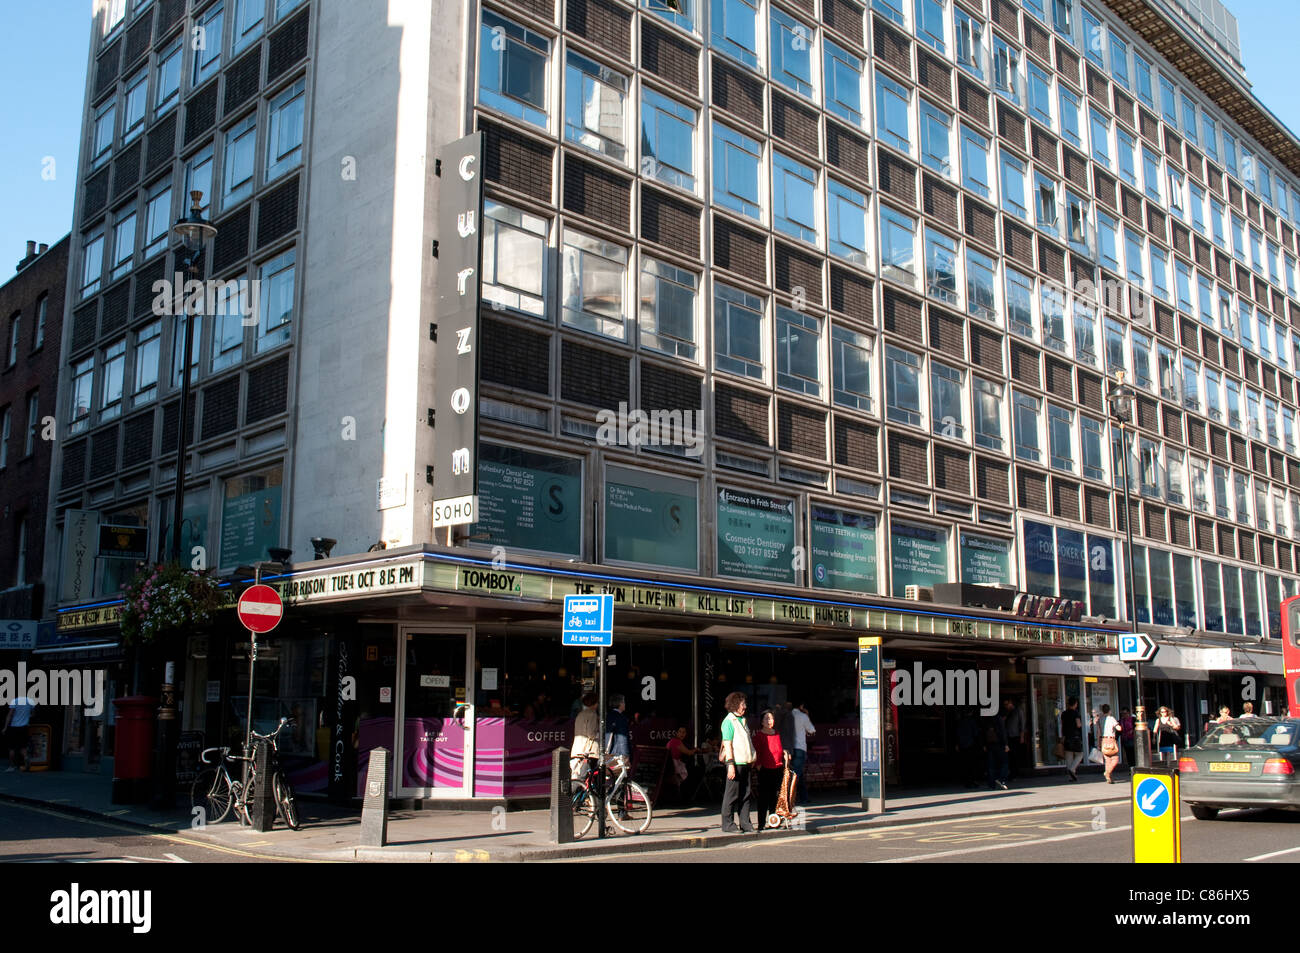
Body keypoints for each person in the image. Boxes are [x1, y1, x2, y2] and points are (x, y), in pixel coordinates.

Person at [719, 692, 756, 833]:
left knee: (745, 794)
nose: (745, 707)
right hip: (735, 763)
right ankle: (727, 824)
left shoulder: (743, 720)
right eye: (742, 704)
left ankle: (745, 822)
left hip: (745, 762)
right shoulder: (729, 721)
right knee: (731, 794)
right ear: (735, 705)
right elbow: (727, 744)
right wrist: (730, 765)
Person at [753, 709, 789, 829]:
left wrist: (784, 753)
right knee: (763, 797)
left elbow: (779, 748)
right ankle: (761, 823)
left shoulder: (776, 733)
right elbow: (756, 752)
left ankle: (774, 821)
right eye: (767, 719)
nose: (769, 721)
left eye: (771, 718)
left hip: (777, 767)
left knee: (775, 796)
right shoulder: (759, 735)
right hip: (764, 769)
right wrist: (758, 766)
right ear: (762, 722)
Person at [788, 701, 816, 806]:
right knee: (797, 774)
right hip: (800, 747)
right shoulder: (802, 716)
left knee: (797, 772)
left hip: (789, 748)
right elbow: (811, 730)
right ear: (801, 705)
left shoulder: (788, 715)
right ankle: (790, 797)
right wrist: (807, 714)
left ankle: (804, 797)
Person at [570, 693, 599, 781]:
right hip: (588, 751)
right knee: (589, 777)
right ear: (594, 703)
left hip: (577, 749)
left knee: (578, 777)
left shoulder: (580, 714)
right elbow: (591, 734)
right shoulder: (592, 714)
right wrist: (599, 735)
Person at [4, 695, 35, 772]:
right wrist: (26, 717)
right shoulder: (31, 701)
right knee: (23, 747)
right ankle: (26, 758)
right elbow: (33, 714)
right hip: (24, 727)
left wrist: (5, 727)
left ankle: (12, 766)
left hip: (14, 727)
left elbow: (10, 715)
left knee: (12, 748)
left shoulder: (15, 701)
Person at [956, 708, 982, 788]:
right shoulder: (972, 721)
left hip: (962, 745)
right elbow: (976, 733)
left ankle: (966, 781)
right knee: (972, 764)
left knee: (965, 763)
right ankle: (971, 781)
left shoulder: (961, 722)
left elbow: (957, 733)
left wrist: (957, 744)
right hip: (970, 744)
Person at [1060, 697, 1084, 781]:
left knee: (1068, 755)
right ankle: (1072, 769)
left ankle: (1071, 776)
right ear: (1075, 704)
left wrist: (1062, 736)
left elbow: (1062, 725)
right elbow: (1078, 725)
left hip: (1066, 737)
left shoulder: (1064, 713)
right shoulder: (1075, 713)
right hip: (1075, 736)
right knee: (1080, 754)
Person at [984, 710, 1009, 790]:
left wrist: (984, 744)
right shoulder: (999, 719)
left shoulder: (987, 720)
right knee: (1005, 762)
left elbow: (983, 732)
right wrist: (1005, 744)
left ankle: (991, 784)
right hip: (999, 744)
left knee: (991, 765)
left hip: (990, 745)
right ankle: (1001, 779)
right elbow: (1003, 732)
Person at [1002, 698, 1026, 780]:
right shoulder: (1007, 712)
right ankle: (1012, 772)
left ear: (1011, 703)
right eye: (1004, 705)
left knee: (1015, 755)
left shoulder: (1018, 711)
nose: (1006, 706)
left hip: (1015, 736)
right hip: (1008, 736)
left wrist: (1022, 736)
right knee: (1010, 755)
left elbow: (1022, 724)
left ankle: (1015, 772)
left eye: (1006, 704)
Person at [1098, 704, 1121, 783]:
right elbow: (1119, 728)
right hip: (1111, 739)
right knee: (1115, 758)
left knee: (1107, 759)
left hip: (1103, 740)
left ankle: (1109, 778)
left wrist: (1099, 743)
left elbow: (1098, 732)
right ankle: (1107, 773)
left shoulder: (1100, 719)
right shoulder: (1111, 718)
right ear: (1109, 711)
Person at [604, 694, 630, 763]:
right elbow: (622, 738)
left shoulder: (607, 716)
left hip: (606, 753)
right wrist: (625, 755)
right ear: (620, 704)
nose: (624, 704)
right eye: (624, 702)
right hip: (617, 753)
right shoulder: (621, 718)